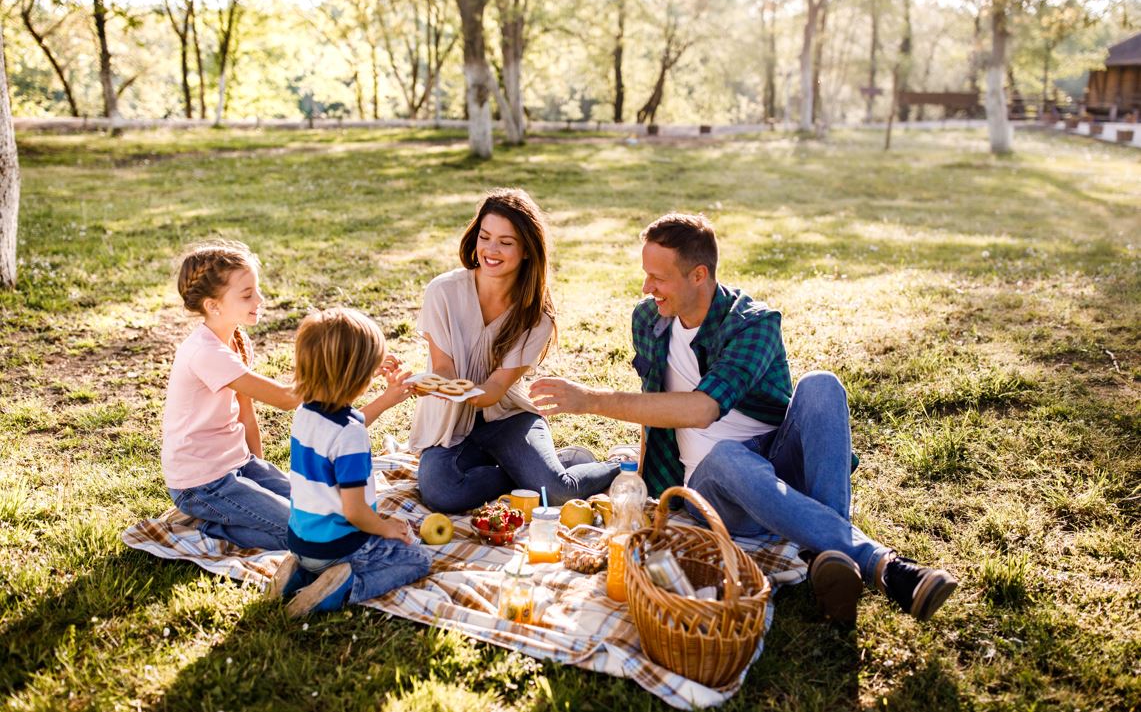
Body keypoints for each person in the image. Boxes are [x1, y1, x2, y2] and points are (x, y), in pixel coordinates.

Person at [530, 214, 958, 624]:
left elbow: (702, 410)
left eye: (658, 278)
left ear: (699, 275)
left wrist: (589, 399)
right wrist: (642, 484)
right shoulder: (649, 319)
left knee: (822, 385)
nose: (647, 287)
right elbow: (654, 403)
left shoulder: (752, 324)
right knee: (728, 455)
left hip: (779, 469)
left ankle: (829, 556)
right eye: (647, 275)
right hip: (713, 489)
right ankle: (880, 564)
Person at [409, 188, 620, 513]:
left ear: (526, 250)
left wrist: (455, 391)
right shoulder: (443, 292)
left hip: (507, 417)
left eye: (506, 242)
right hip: (451, 424)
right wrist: (435, 385)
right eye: (485, 237)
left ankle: (620, 464)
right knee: (440, 492)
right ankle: (524, 474)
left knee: (558, 493)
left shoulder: (537, 317)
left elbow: (493, 391)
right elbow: (443, 368)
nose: (491, 250)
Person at [271, 307, 431, 616]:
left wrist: (387, 398)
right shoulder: (351, 436)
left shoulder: (306, 413)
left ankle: (299, 574)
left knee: (318, 558)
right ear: (357, 376)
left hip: (302, 543)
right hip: (340, 547)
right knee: (417, 559)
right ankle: (343, 586)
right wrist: (386, 528)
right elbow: (356, 512)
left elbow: (348, 425)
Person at [161, 240, 301, 551]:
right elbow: (286, 399)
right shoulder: (205, 352)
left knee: (316, 510)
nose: (260, 299)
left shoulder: (237, 341)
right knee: (302, 535)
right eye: (247, 294)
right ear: (213, 305)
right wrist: (343, 365)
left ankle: (235, 513)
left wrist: (258, 474)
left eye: (257, 290)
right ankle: (211, 527)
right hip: (201, 484)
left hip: (237, 465)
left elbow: (246, 414)